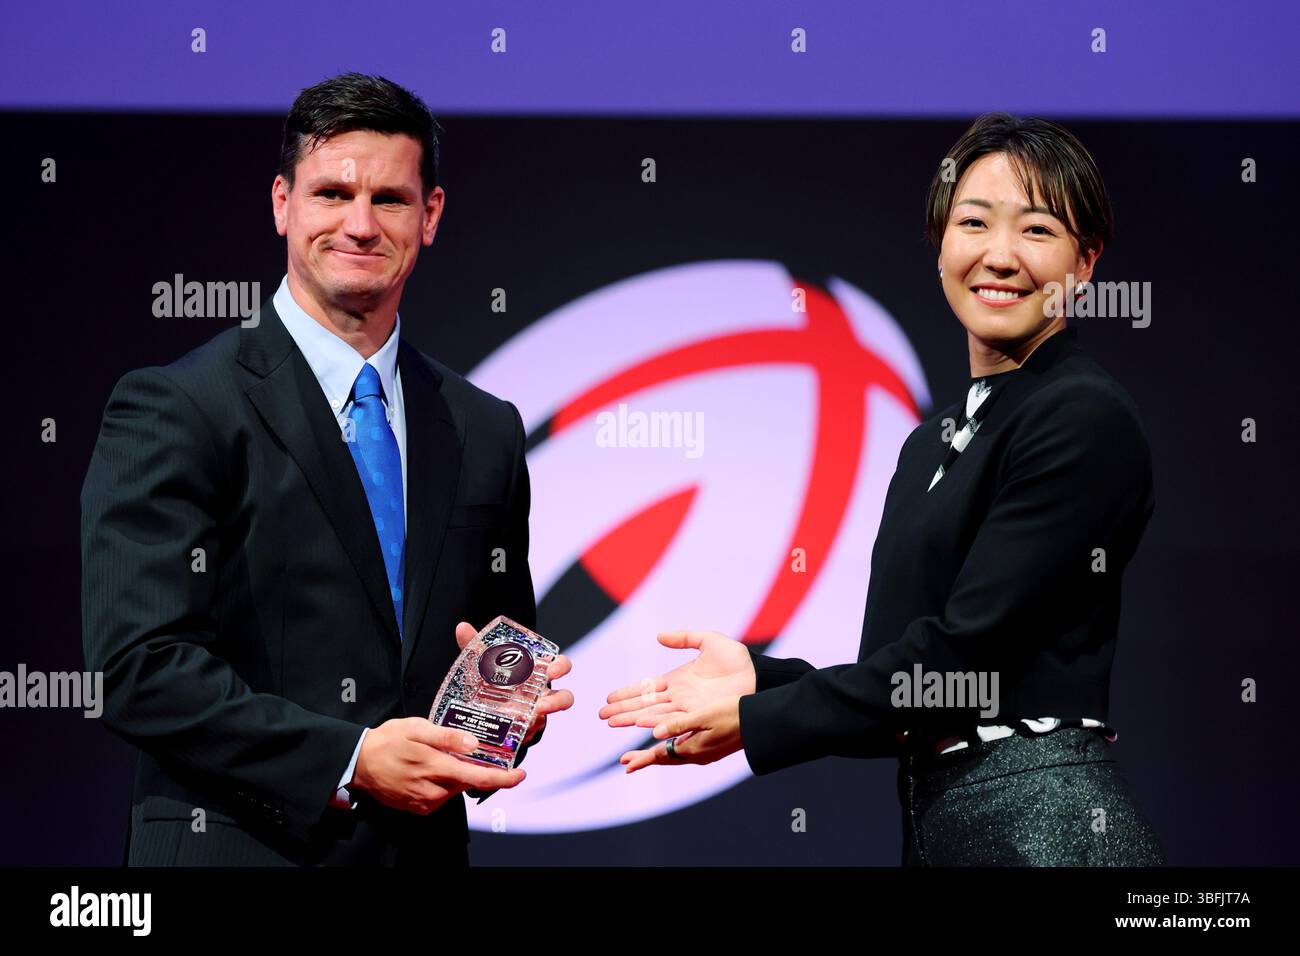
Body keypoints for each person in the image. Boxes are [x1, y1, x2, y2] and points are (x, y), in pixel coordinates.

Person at [600, 112, 1164, 866]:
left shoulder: (1082, 416)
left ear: (1086, 264)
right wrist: (761, 682)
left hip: (1048, 833)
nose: (1000, 257)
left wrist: (755, 718)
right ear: (940, 246)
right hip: (946, 835)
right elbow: (906, 690)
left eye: (1037, 231)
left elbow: (962, 667)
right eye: (974, 223)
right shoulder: (930, 443)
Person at [81, 72, 572, 866]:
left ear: (431, 215)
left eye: (389, 198)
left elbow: (495, 644)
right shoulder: (176, 407)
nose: (360, 224)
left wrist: (503, 718)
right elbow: (137, 669)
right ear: (283, 204)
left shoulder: (485, 428)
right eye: (332, 193)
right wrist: (350, 759)